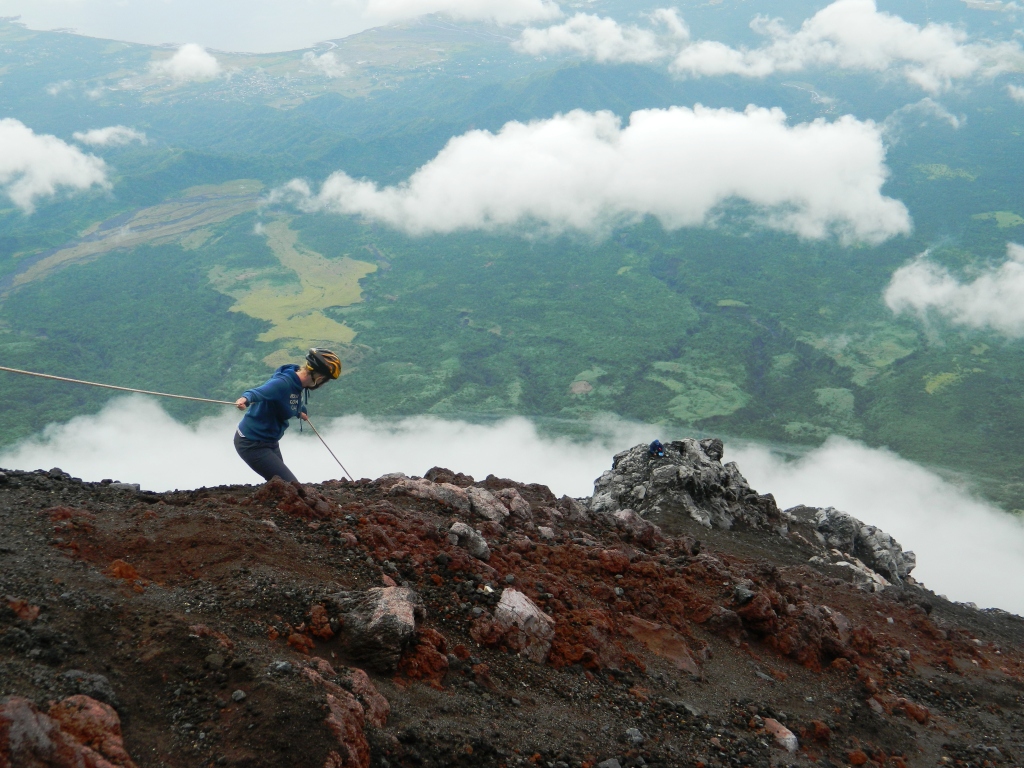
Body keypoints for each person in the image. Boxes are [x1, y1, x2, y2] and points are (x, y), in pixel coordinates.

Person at [233, 348, 341, 483]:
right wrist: (245, 399)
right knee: (290, 485)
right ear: (319, 378)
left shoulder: (297, 382)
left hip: (270, 441)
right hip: (252, 443)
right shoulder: (283, 383)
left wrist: (298, 411)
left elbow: (286, 399)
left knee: (282, 486)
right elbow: (259, 392)